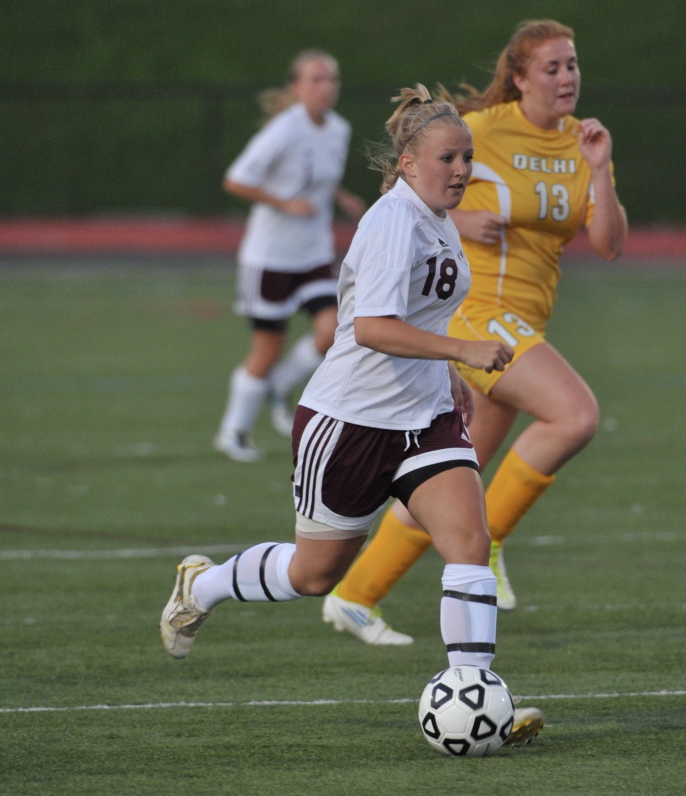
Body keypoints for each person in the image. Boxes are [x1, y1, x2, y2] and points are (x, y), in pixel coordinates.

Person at [162, 85, 543, 746]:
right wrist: (463, 349)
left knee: (468, 543)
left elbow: (420, 317)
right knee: (314, 576)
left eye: (468, 158)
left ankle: (478, 697)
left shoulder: (438, 218)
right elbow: (370, 328)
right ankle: (206, 584)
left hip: (423, 420)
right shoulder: (394, 222)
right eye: (449, 158)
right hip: (350, 424)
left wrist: (449, 375)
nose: (462, 170)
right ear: (408, 163)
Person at [322, 20, 628, 645]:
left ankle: (355, 595)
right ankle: (493, 547)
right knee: (574, 416)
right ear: (518, 78)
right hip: (474, 310)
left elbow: (610, 244)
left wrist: (598, 169)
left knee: (453, 475)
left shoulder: (583, 142)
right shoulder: (486, 130)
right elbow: (403, 189)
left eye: (572, 65)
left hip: (524, 318)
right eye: (552, 67)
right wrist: (465, 217)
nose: (567, 77)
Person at [214, 49, 366, 462]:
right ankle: (234, 432)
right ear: (296, 87)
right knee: (267, 347)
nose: (325, 87)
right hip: (269, 258)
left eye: (331, 79)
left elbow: (317, 174)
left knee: (333, 329)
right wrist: (286, 203)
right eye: (315, 80)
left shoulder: (338, 128)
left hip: (313, 254)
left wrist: (341, 195)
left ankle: (280, 386)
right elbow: (237, 180)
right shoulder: (283, 130)